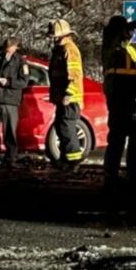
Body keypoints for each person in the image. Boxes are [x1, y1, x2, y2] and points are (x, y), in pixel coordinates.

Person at [101, 15, 136, 189]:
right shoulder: (110, 48)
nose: (130, 33)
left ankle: (133, 173)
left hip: (133, 98)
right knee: (118, 137)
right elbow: (115, 39)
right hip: (119, 98)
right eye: (126, 30)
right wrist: (129, 27)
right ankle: (111, 175)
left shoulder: (130, 51)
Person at [46, 19, 85, 169]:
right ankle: (65, 159)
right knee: (61, 127)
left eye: (55, 37)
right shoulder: (60, 50)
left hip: (70, 99)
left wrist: (69, 93)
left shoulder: (69, 49)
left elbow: (75, 74)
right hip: (62, 97)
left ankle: (73, 160)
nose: (53, 40)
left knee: (67, 128)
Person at [0, 37, 28, 166]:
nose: (7, 49)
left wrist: (8, 82)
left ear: (16, 47)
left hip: (10, 99)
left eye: (10, 47)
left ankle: (11, 157)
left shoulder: (20, 61)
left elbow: (24, 82)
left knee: (10, 131)